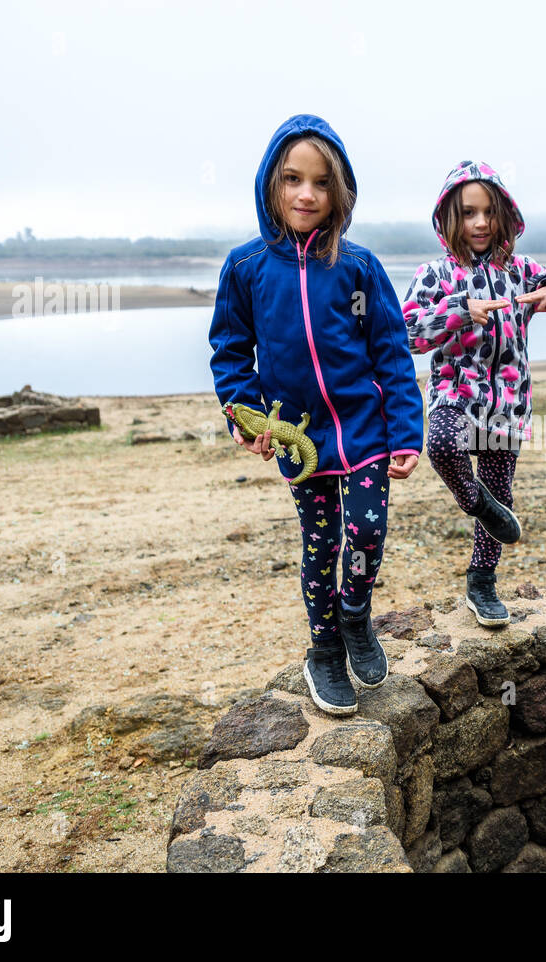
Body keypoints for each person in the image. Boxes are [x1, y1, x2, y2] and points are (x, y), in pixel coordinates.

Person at [208, 114, 424, 714]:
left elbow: (391, 351)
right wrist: (244, 416)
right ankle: (324, 652)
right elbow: (230, 353)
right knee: (320, 543)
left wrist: (406, 429)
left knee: (366, 532)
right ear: (270, 185)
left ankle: (355, 614)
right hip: (299, 440)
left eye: (322, 182)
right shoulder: (246, 268)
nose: (307, 194)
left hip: (363, 430)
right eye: (293, 179)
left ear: (340, 192)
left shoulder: (358, 267)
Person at [402, 161, 546, 626]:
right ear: (451, 217)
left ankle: (482, 584)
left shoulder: (521, 270)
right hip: (454, 392)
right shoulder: (435, 274)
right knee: (443, 447)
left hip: (508, 404)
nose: (481, 223)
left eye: (489, 212)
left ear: (505, 214)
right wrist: (460, 311)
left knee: (501, 488)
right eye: (469, 213)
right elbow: (405, 333)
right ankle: (478, 503)